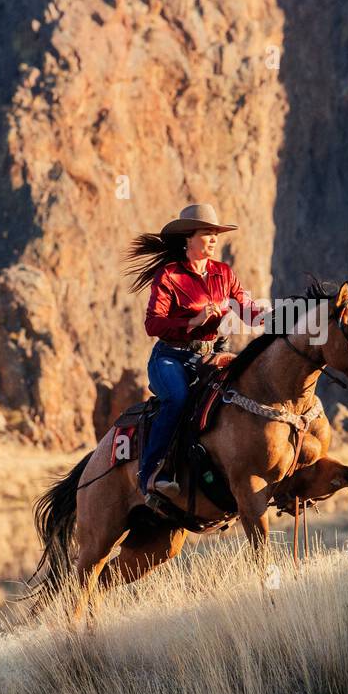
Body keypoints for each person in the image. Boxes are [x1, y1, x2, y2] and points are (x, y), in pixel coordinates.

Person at [123, 204, 268, 498]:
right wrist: (194, 321)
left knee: (239, 395)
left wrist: (273, 316)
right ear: (188, 239)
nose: (214, 239)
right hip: (170, 356)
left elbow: (249, 313)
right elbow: (153, 324)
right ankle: (152, 474)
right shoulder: (169, 275)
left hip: (210, 356)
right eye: (207, 233)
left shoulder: (224, 273)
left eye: (216, 234)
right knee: (177, 399)